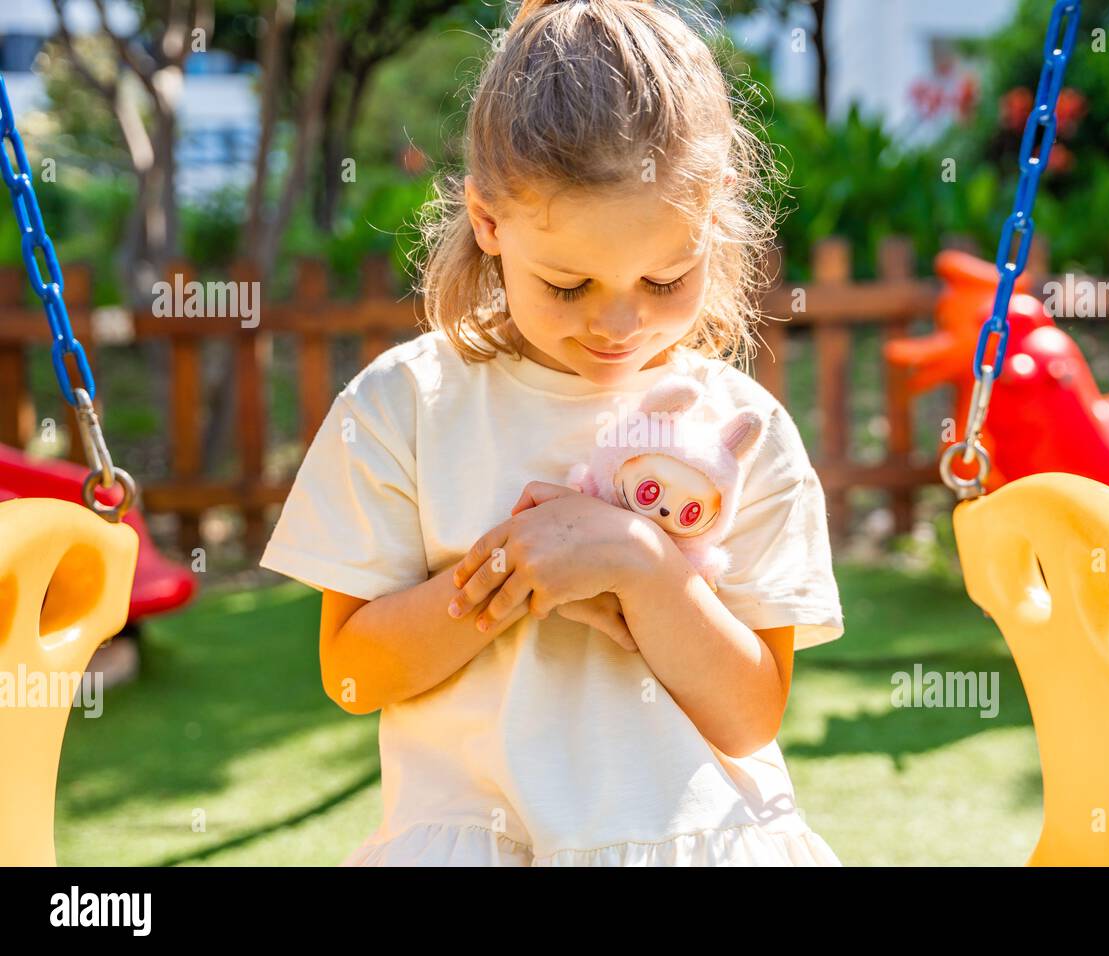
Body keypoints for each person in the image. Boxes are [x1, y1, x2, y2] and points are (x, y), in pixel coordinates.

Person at [260, 0, 844, 866]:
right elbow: (353, 674)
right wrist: (511, 572)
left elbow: (750, 712)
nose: (619, 324)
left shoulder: (744, 430)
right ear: (489, 220)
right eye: (568, 284)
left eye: (665, 276)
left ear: (715, 219)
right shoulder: (406, 406)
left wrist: (641, 566)